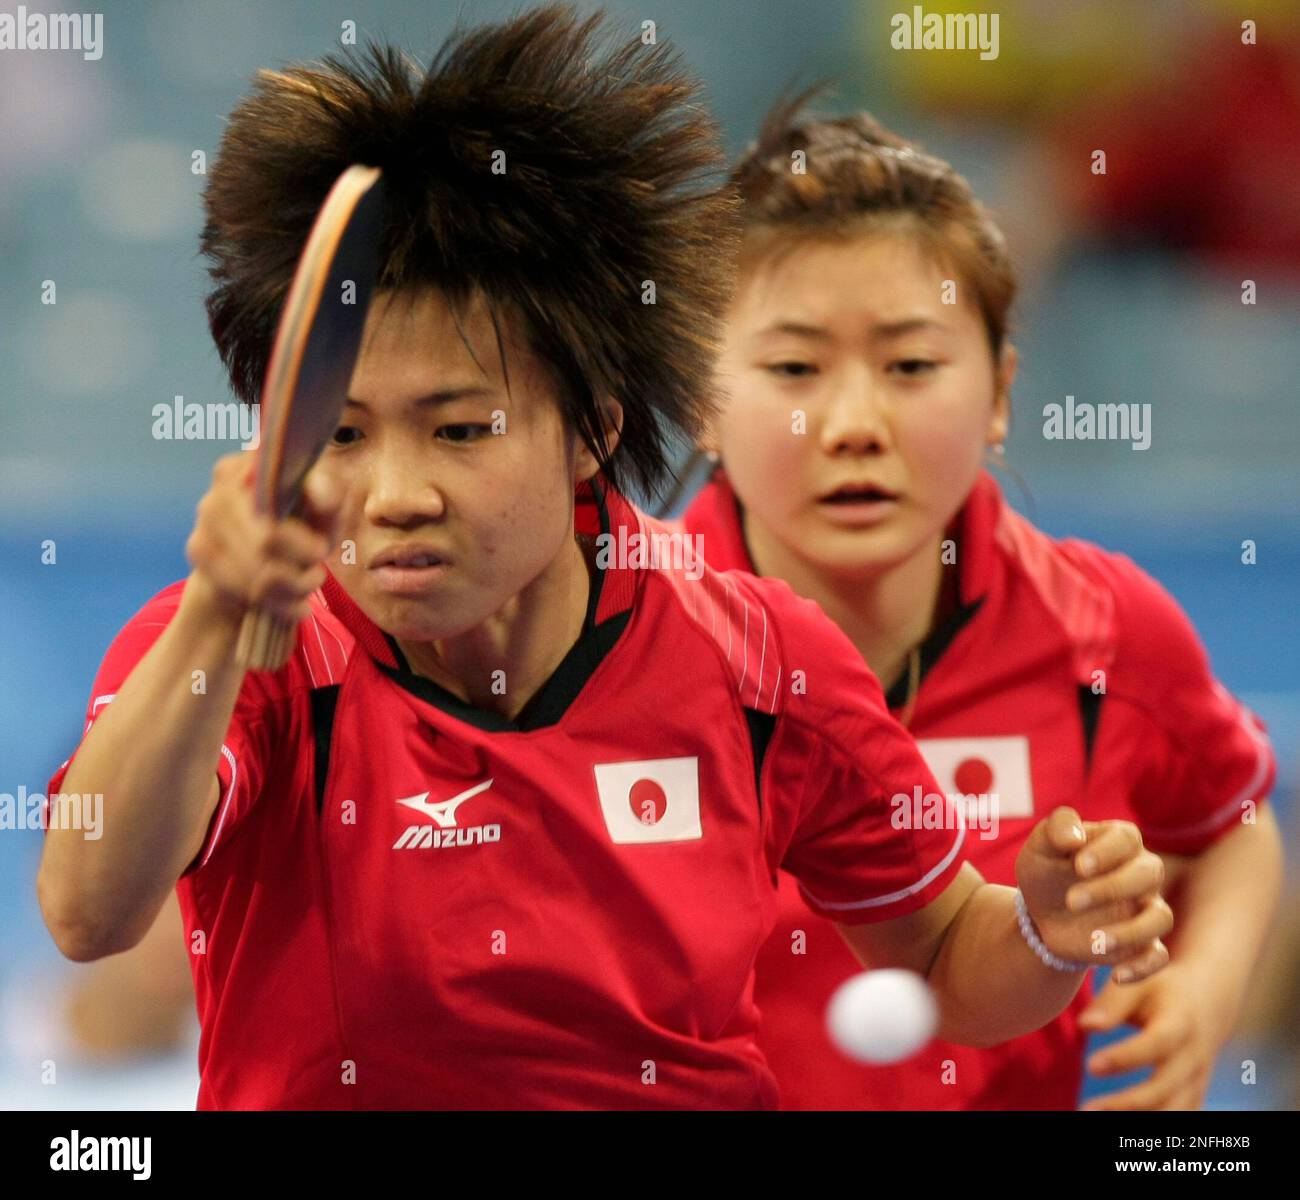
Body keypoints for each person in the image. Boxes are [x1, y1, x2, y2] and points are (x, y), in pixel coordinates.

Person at [38, 8, 1171, 1110]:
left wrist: (1039, 930)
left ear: (594, 428)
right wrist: (213, 631)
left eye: (461, 428)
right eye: (340, 434)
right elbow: (87, 916)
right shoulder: (241, 650)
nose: (392, 496)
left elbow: (935, 958)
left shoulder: (756, 659)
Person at [681, 91, 1283, 1110]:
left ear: (999, 393)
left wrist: (1202, 989)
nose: (855, 422)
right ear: (701, 399)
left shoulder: (1102, 629)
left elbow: (1230, 822)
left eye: (911, 365)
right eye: (793, 367)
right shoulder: (612, 635)